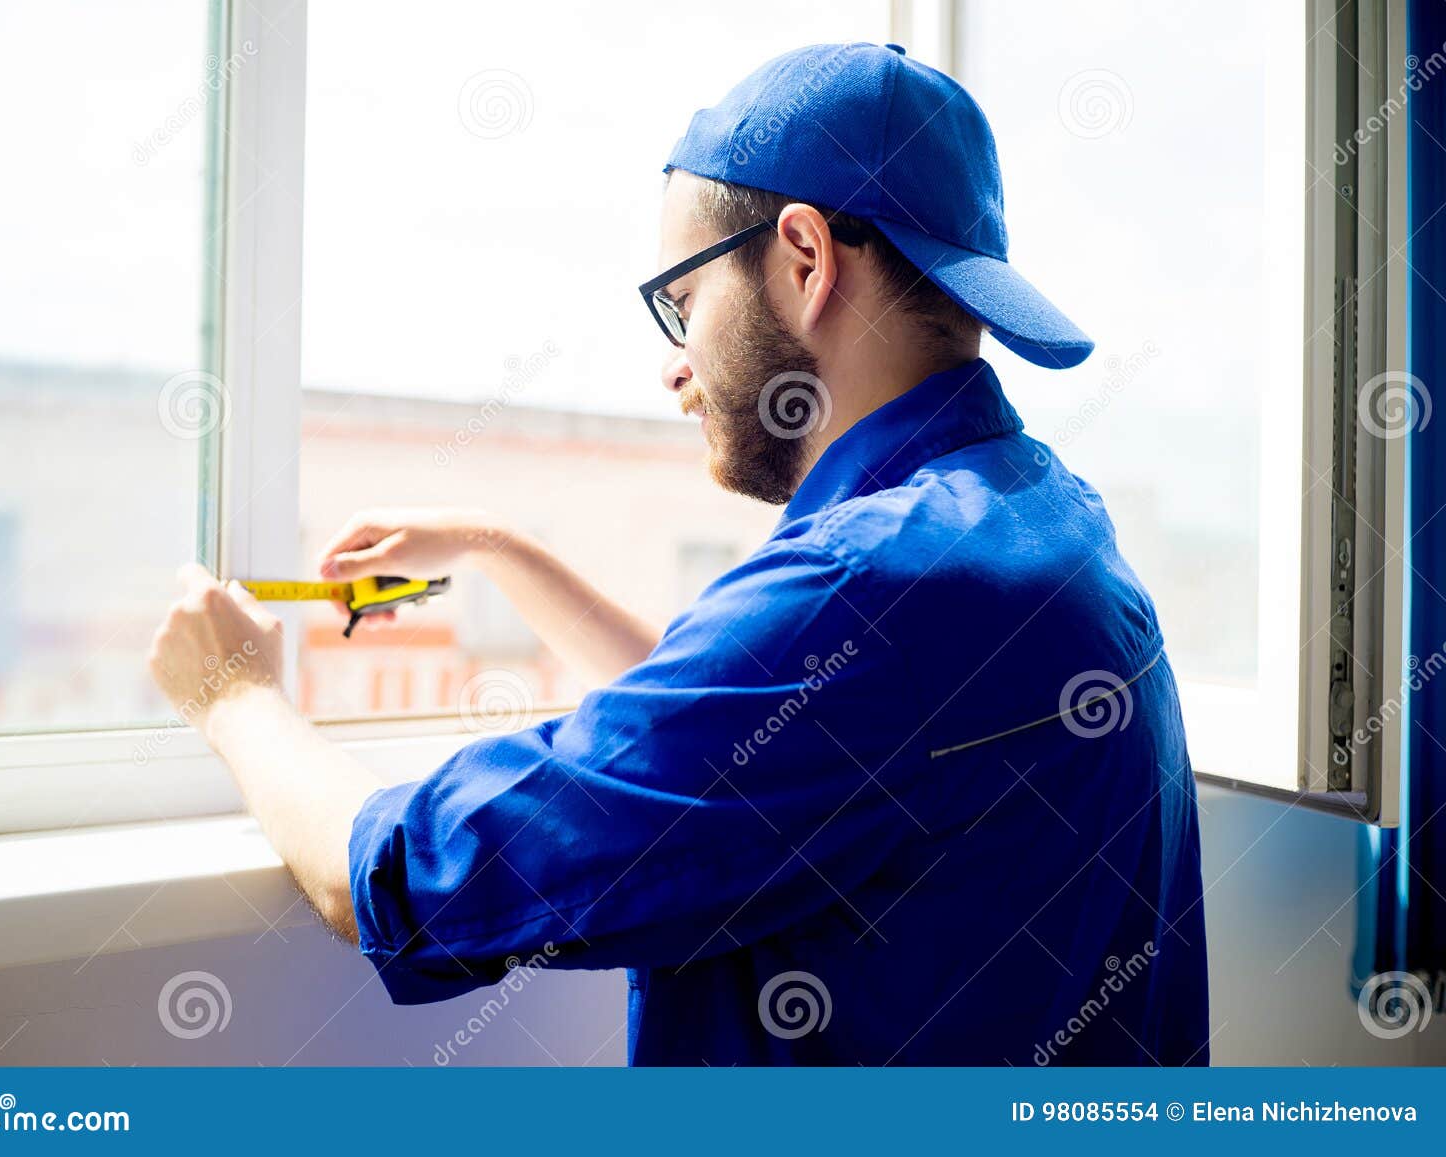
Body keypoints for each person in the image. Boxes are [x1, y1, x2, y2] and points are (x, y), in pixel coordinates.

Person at [147, 42, 1209, 1065]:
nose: (675, 367)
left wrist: (234, 692)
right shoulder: (1036, 515)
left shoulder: (869, 591)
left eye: (682, 300)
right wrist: (497, 547)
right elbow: (745, 737)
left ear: (803, 258)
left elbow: (396, 879)